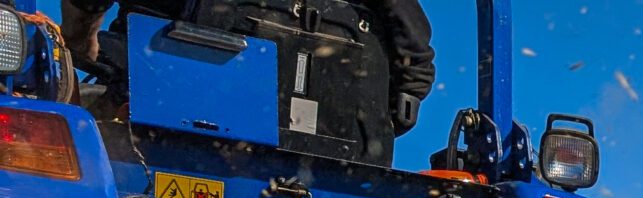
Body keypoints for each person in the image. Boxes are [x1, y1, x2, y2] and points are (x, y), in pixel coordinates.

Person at [60, 0, 433, 137]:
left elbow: (85, 11)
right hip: (343, 151)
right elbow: (412, 41)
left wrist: (79, 44)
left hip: (184, 121)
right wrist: (389, 114)